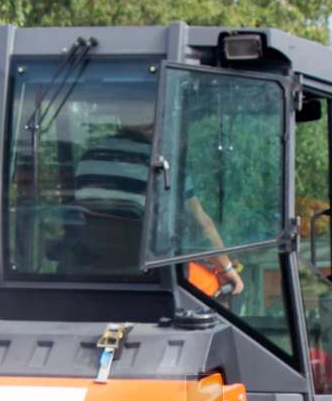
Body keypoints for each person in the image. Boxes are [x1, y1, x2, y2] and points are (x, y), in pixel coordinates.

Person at [73, 126, 242, 297]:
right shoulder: (161, 162)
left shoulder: (89, 158)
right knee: (210, 283)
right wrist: (226, 269)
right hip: (146, 273)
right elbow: (201, 224)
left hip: (95, 267)